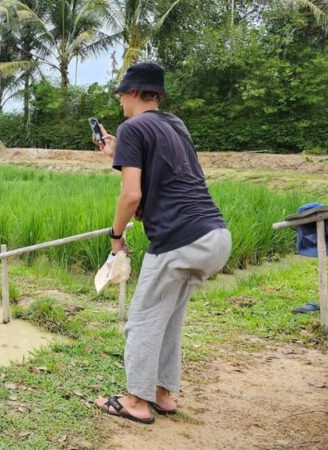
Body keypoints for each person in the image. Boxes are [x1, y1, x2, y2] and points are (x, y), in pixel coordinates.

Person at [93, 62, 232, 424]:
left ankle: (135, 401)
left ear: (134, 92)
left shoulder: (132, 127)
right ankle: (162, 393)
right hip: (214, 235)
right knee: (167, 318)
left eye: (121, 93)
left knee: (141, 321)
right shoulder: (175, 125)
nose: (120, 100)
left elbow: (131, 196)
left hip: (178, 239)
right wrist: (117, 153)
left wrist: (116, 236)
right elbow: (168, 178)